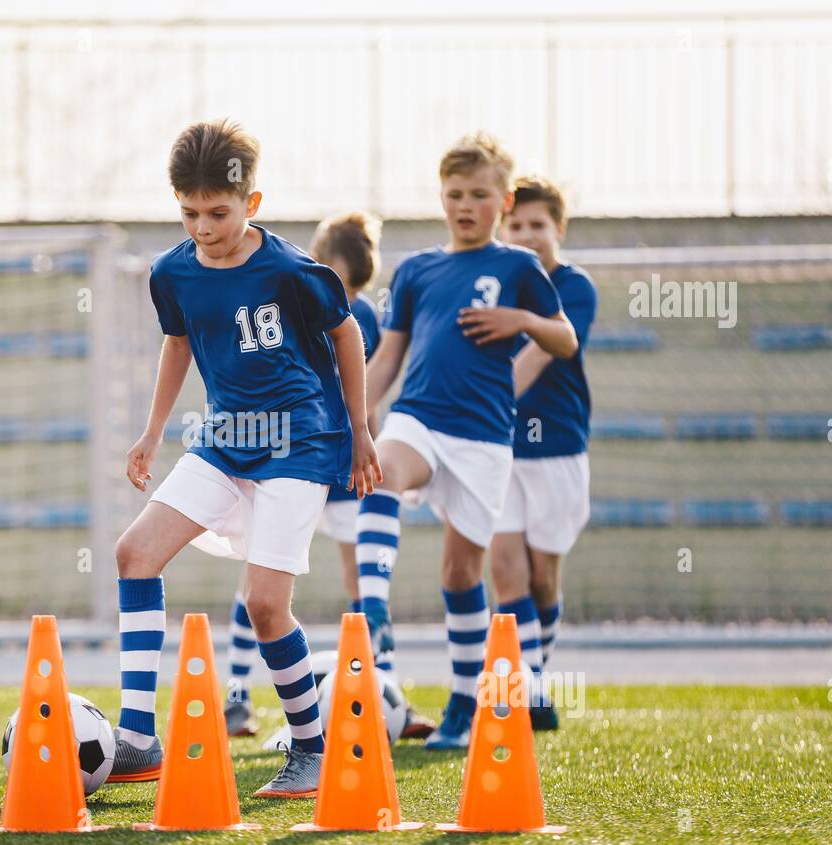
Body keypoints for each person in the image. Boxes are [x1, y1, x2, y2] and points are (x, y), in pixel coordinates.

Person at [111, 119, 380, 797]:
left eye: (219, 213)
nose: (203, 227)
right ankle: (138, 739)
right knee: (133, 553)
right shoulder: (171, 273)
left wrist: (361, 429)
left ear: (251, 203)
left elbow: (346, 334)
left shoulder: (291, 269)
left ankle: (312, 751)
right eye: (189, 212)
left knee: (266, 605)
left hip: (301, 442)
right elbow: (179, 345)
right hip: (225, 440)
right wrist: (152, 433)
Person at [355, 132, 577, 750]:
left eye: (479, 194)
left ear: (502, 201)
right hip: (419, 415)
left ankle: (462, 702)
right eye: (455, 194)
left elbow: (565, 340)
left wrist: (523, 321)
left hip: (483, 437)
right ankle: (373, 609)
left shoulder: (519, 268)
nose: (465, 205)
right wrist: (359, 415)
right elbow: (389, 356)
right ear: (441, 197)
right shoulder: (418, 270)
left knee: (459, 575)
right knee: (387, 471)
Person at [223, 211, 434, 740]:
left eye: (345, 281)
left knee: (358, 576)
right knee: (264, 579)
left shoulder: (360, 318)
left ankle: (383, 695)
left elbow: (371, 390)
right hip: (290, 464)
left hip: (341, 467)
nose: (334, 288)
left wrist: (367, 436)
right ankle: (237, 694)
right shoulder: (288, 305)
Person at [491, 174, 599, 729]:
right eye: (517, 225)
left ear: (558, 229)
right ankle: (528, 693)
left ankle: (535, 671)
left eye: (538, 225)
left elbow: (540, 350)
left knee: (541, 577)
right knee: (506, 569)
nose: (527, 235)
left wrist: (492, 397)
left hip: (557, 448)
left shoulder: (572, 286)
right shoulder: (493, 284)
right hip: (501, 451)